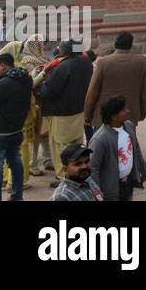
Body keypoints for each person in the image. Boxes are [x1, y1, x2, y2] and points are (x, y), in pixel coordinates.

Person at [35, 40, 92, 188]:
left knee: (60, 146)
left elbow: (49, 91)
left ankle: (64, 176)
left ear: (64, 51)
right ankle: (79, 171)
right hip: (79, 110)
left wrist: (41, 81)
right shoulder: (86, 62)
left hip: (61, 113)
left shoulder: (62, 66)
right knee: (77, 144)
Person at [0, 51, 32, 202]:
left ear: (3, 66)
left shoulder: (5, 83)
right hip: (16, 128)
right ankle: (17, 196)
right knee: (15, 162)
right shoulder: (25, 78)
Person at [82, 32, 146, 128]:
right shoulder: (142, 61)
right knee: (127, 141)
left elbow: (92, 93)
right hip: (129, 115)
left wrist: (87, 115)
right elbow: (145, 92)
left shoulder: (103, 63)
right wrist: (143, 111)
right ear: (131, 45)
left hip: (105, 116)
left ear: (114, 45)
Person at [87, 95, 146, 201]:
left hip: (128, 184)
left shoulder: (129, 127)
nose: (128, 111)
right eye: (123, 110)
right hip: (110, 190)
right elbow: (93, 169)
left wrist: (143, 169)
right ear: (113, 116)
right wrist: (97, 194)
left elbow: (136, 150)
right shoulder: (100, 139)